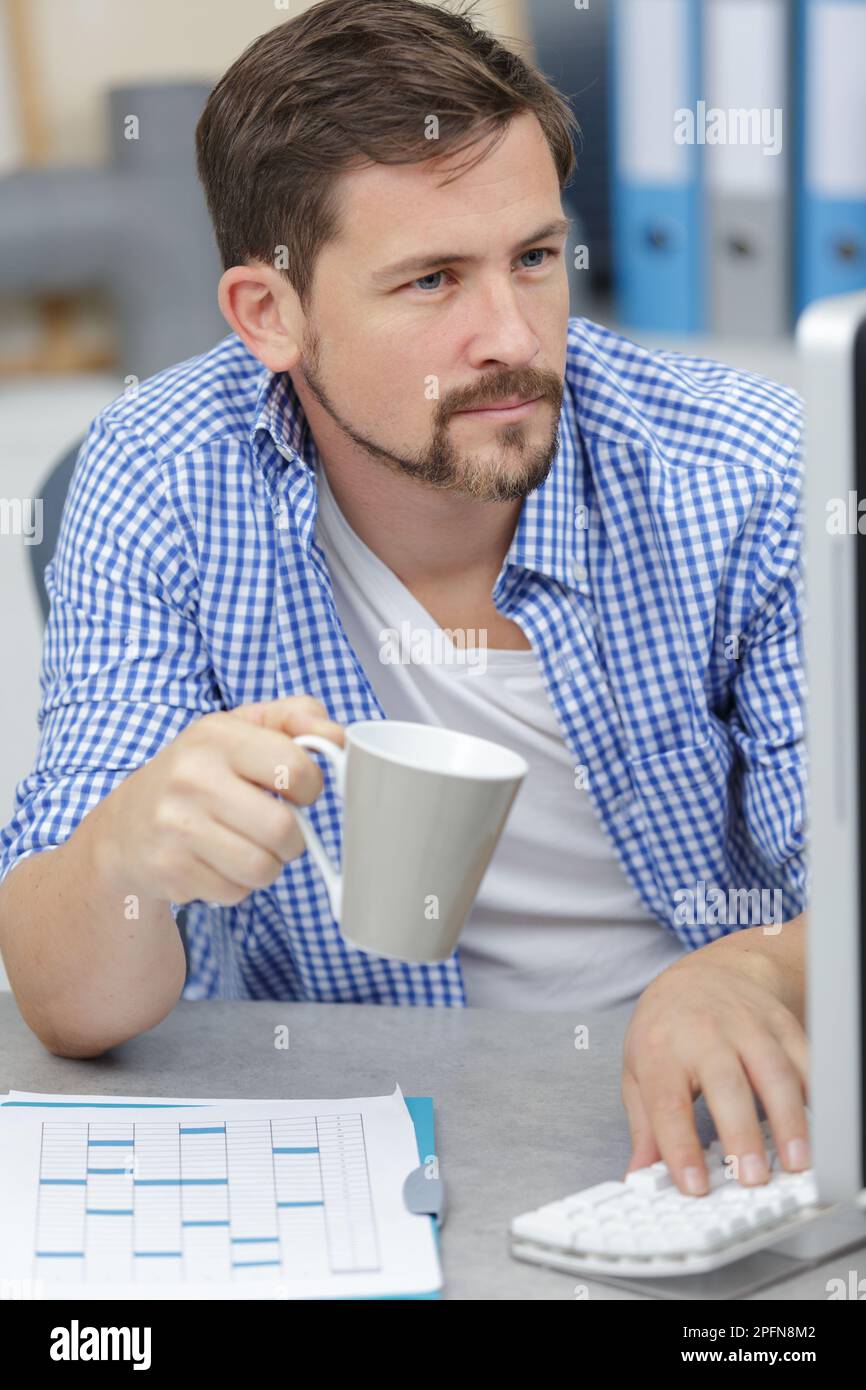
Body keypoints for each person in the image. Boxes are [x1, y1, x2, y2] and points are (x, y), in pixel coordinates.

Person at [0, 0, 809, 1199]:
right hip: (345, 1155)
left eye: (533, 258)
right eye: (431, 279)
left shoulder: (743, 469)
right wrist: (127, 851)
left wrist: (754, 970)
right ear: (267, 316)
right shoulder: (158, 477)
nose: (511, 336)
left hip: (697, 1147)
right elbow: (70, 1005)